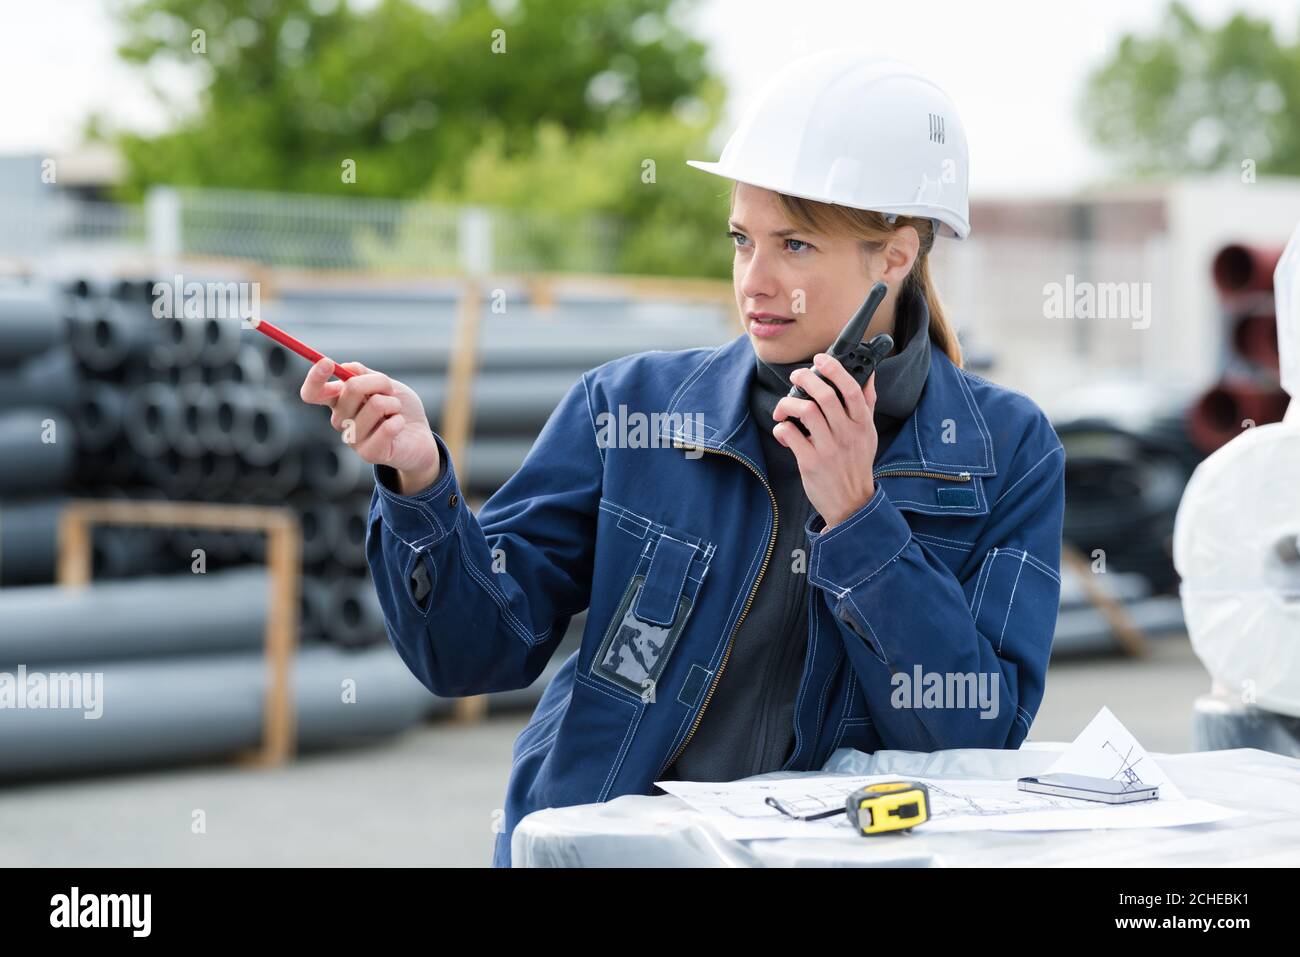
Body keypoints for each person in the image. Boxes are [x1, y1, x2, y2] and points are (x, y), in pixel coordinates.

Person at [299, 50, 1066, 868]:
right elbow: (470, 653)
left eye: (796, 245)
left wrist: (859, 519)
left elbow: (975, 740)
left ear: (896, 256)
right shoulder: (629, 408)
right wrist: (420, 486)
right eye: (743, 239)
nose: (754, 281)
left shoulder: (1007, 452)